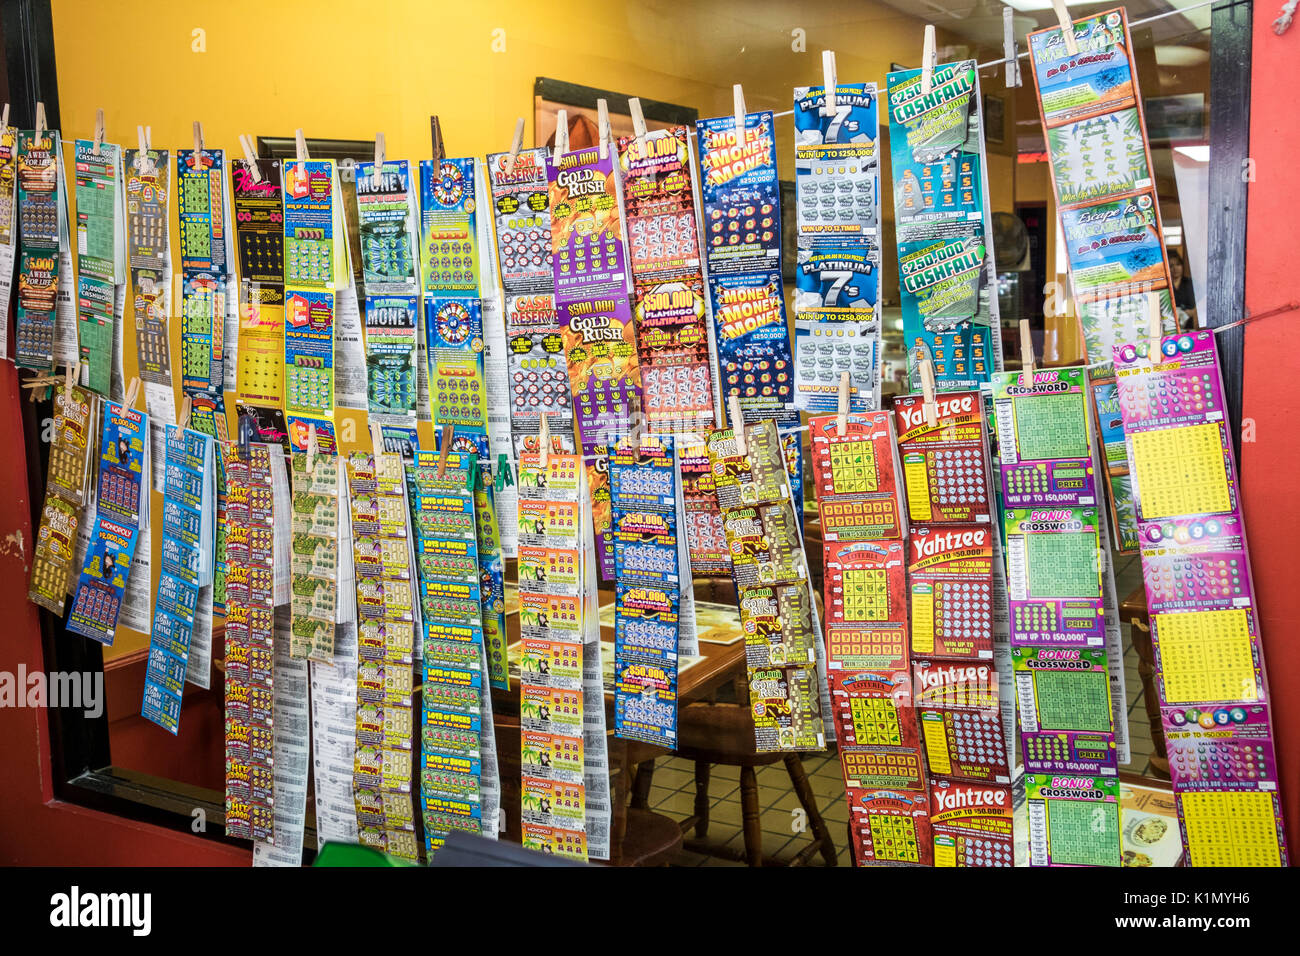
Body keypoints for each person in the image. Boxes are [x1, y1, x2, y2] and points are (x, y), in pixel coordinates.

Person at [1168, 249, 1197, 329]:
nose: (1175, 268)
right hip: (1171, 326)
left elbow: (1202, 302)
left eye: (1178, 264)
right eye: (1171, 266)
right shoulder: (1166, 286)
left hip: (1189, 326)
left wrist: (1193, 311)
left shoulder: (1190, 283)